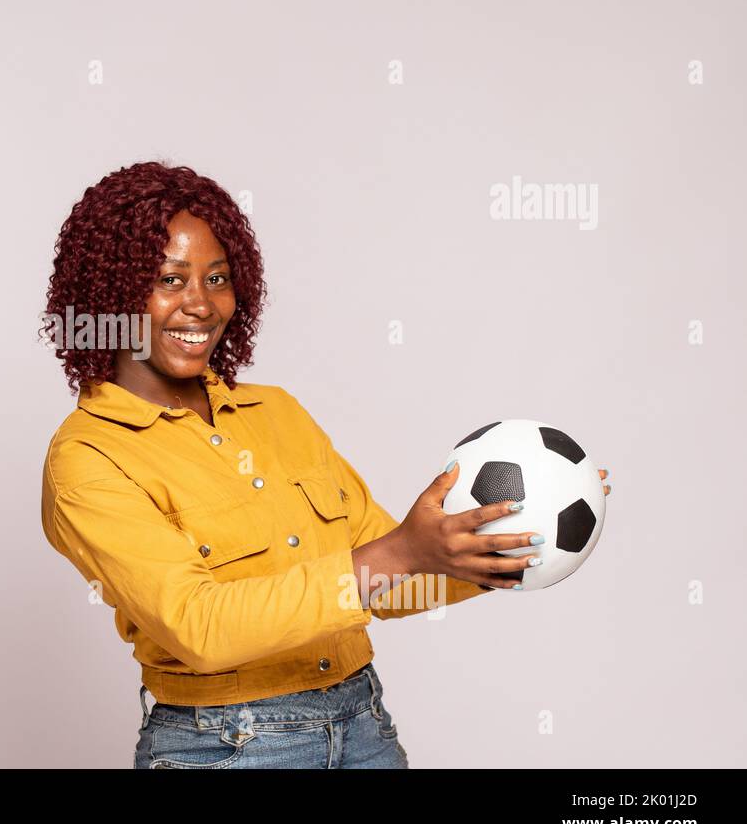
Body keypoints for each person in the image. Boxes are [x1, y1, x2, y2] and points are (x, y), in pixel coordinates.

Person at [39, 161, 611, 769]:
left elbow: (388, 581)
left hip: (363, 725)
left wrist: (510, 545)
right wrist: (397, 553)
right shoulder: (88, 458)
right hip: (225, 747)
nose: (201, 305)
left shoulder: (276, 412)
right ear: (109, 292)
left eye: (217, 278)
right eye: (170, 280)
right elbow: (199, 626)